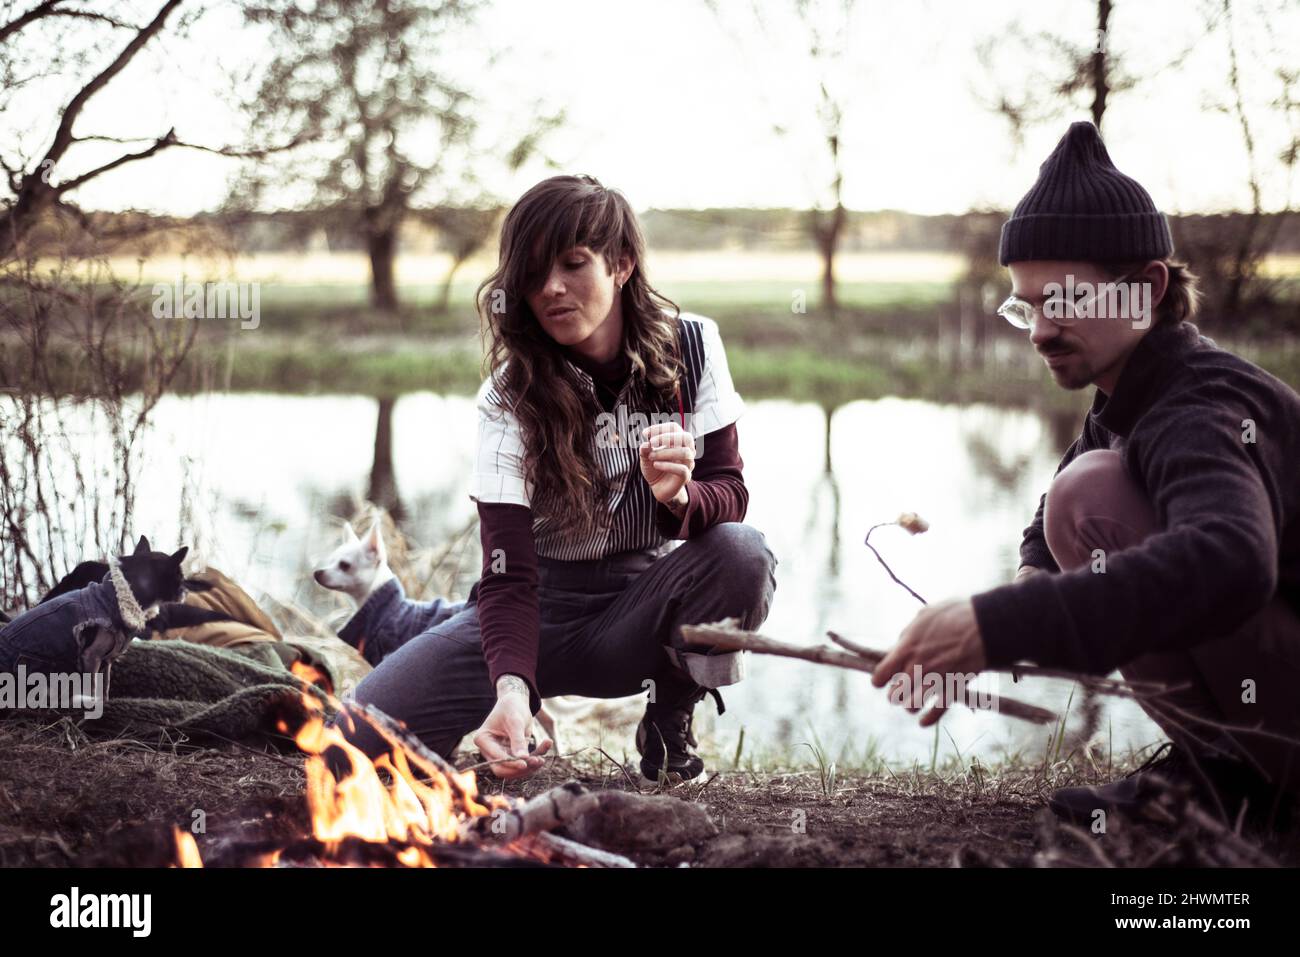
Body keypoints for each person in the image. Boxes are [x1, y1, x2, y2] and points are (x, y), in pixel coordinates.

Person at [872, 122, 1300, 826]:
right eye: (1027, 304)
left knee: (1091, 493)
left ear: (1146, 289)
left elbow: (1234, 560)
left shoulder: (1199, 407)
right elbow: (1047, 518)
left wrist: (996, 625)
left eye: (1064, 300)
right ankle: (1224, 770)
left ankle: (1233, 770)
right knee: (1077, 496)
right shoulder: (1129, 392)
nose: (1040, 329)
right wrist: (1034, 579)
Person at [340, 174, 777, 782]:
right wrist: (512, 690)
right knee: (354, 741)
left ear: (621, 263)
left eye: (574, 264)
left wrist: (680, 495)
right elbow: (508, 573)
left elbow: (729, 492)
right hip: (534, 608)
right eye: (535, 272)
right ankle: (432, 641)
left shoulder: (693, 346)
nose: (551, 289)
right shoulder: (505, 399)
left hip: (636, 612)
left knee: (741, 552)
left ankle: (671, 714)